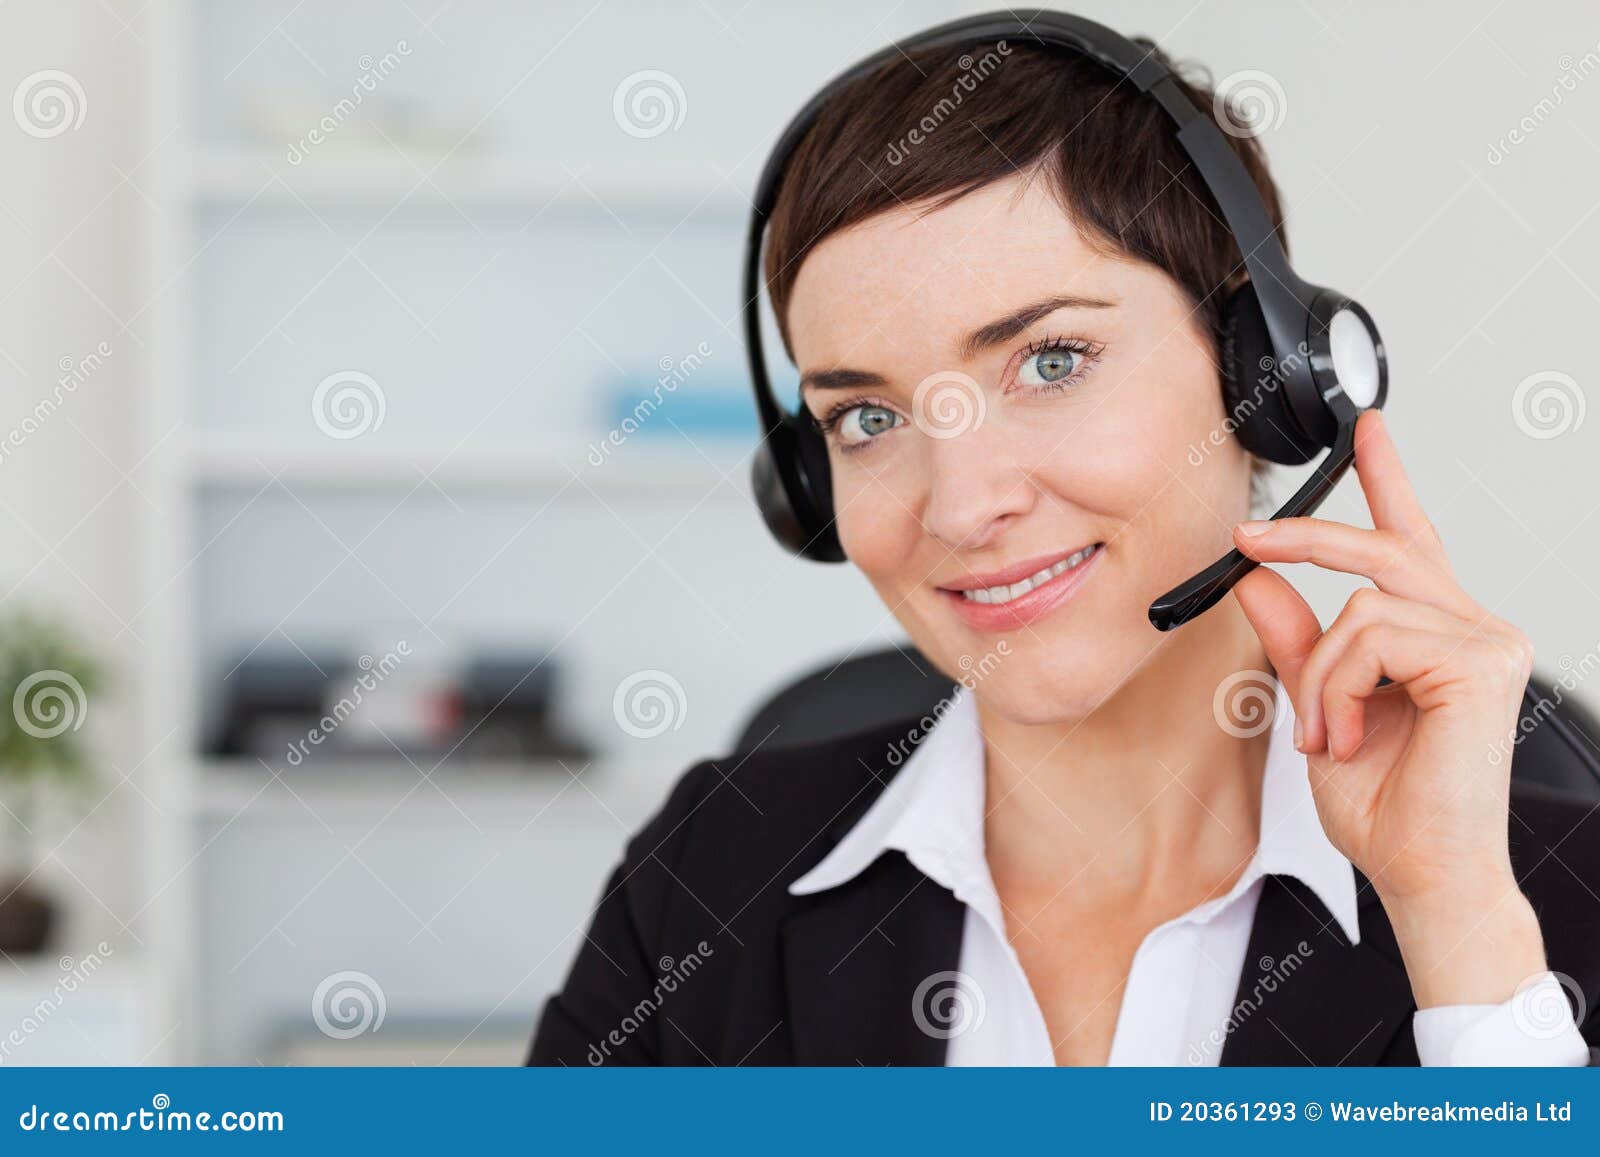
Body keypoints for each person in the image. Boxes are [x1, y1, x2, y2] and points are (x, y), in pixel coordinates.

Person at [528, 24, 1600, 1066]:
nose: (959, 505)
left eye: (1049, 361)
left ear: (1261, 377)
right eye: (867, 416)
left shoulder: (1555, 897)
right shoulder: (706, 875)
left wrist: (1460, 930)